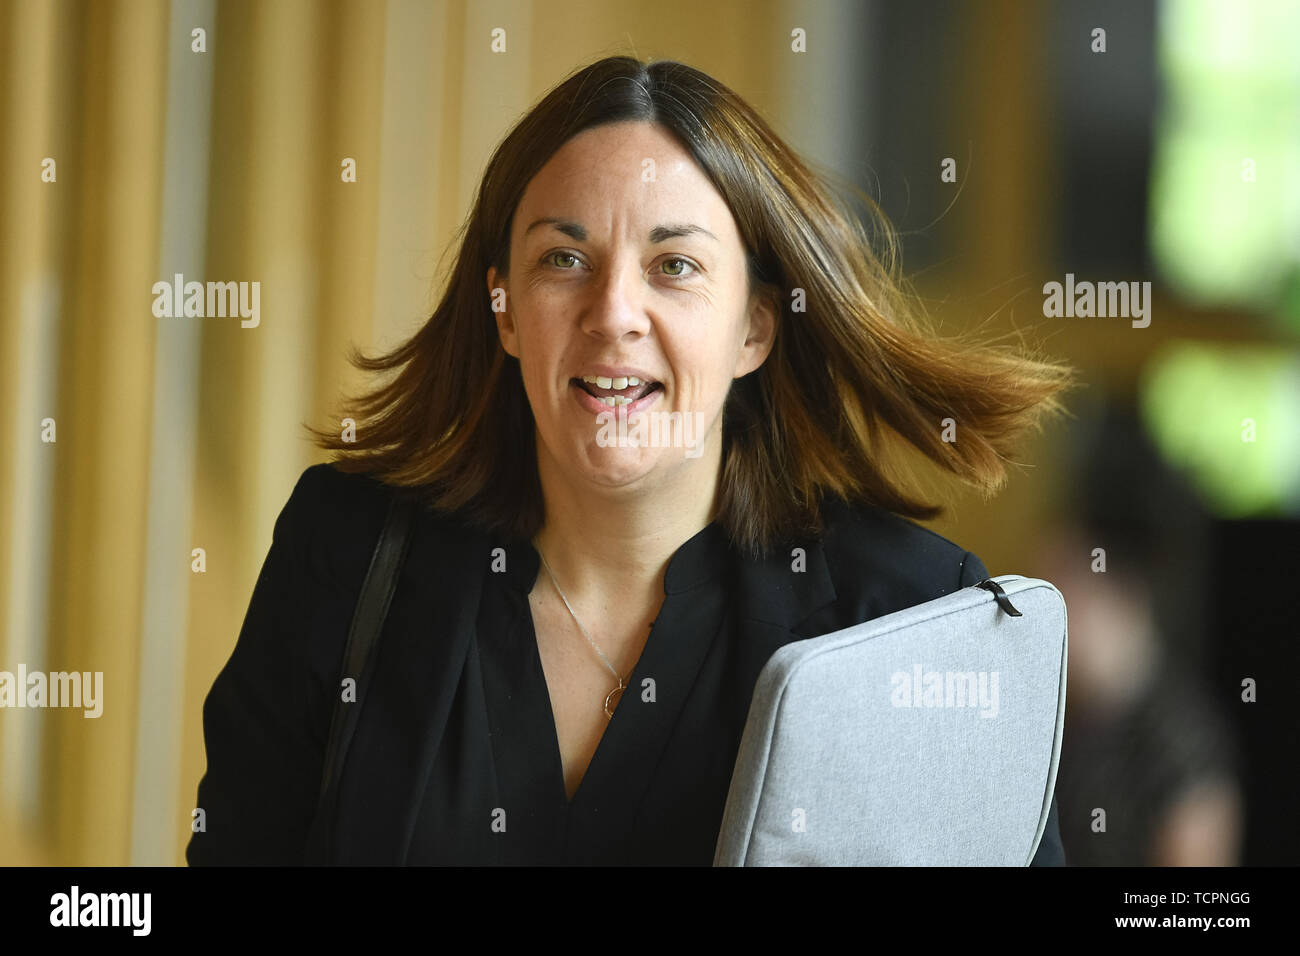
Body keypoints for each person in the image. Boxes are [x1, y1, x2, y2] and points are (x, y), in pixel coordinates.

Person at [187, 55, 1077, 866]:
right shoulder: (344, 560)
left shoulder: (910, 620)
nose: (613, 312)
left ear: (755, 326)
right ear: (504, 311)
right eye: (564, 258)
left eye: (674, 265)